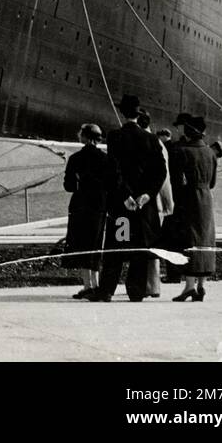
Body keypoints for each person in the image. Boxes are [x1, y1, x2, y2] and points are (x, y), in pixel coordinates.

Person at [85, 94, 166, 302]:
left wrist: (125, 196)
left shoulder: (115, 136)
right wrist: (147, 194)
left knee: (117, 246)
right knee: (139, 247)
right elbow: (160, 171)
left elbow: (114, 170)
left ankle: (107, 290)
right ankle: (136, 291)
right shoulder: (151, 139)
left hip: (123, 206)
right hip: (144, 206)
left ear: (122, 113)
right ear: (138, 115)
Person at [170, 115, 217, 301]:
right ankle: (201, 286)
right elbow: (212, 182)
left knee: (189, 240)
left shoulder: (181, 151)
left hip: (188, 199)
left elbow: (176, 181)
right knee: (205, 240)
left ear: (188, 131)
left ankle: (189, 287)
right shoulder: (210, 152)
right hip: (206, 198)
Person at [61, 124, 111, 296]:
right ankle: (96, 284)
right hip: (99, 205)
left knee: (81, 243)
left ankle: (87, 285)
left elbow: (69, 186)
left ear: (86, 137)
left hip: (80, 204)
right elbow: (111, 183)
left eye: (80, 133)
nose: (78, 134)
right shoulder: (105, 158)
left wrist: (79, 182)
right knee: (96, 243)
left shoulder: (75, 158)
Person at [137, 109, 173, 297]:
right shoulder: (156, 142)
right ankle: (151, 285)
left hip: (150, 202)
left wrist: (167, 203)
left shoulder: (153, 143)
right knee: (150, 243)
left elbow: (163, 176)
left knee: (146, 243)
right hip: (153, 200)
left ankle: (150, 285)